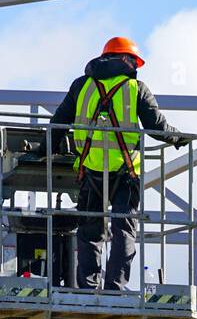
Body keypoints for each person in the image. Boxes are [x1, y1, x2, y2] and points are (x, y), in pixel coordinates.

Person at [50, 36, 188, 291]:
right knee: (123, 229)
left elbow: (57, 125)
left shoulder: (81, 86)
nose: (135, 67)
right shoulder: (136, 88)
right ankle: (115, 287)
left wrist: (43, 151)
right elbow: (157, 128)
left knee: (90, 231)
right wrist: (178, 138)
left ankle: (89, 288)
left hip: (90, 170)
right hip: (126, 174)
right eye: (134, 61)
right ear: (125, 59)